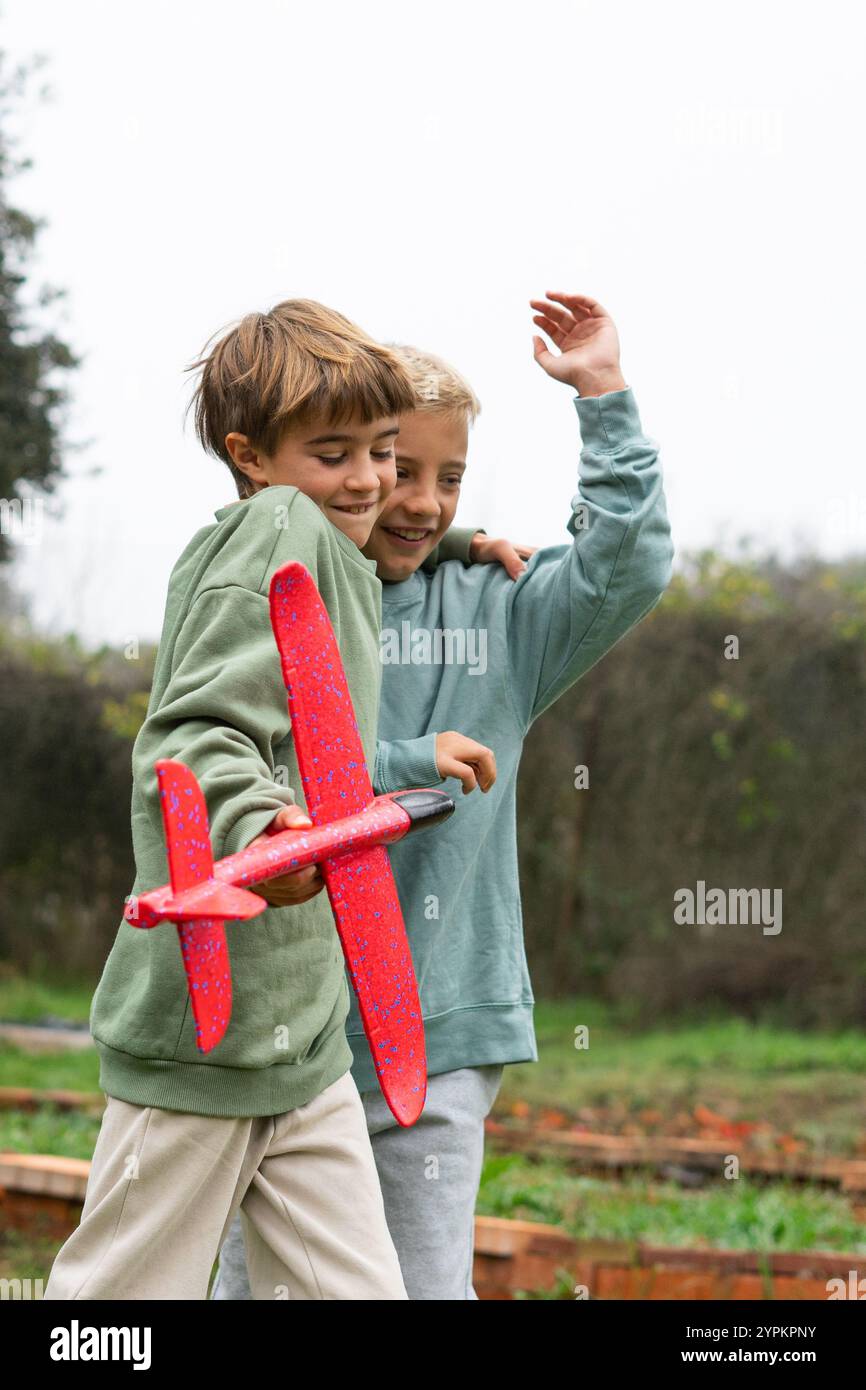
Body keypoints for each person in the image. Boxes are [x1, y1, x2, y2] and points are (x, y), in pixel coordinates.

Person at [213, 289, 674, 1300]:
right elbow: (259, 776)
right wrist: (409, 757)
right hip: (284, 1028)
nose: (419, 500)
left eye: (448, 477)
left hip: (440, 1025)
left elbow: (624, 564)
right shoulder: (270, 600)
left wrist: (600, 393)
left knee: (421, 1285)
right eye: (395, 468)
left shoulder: (500, 611)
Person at [45, 298, 424, 1301]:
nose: (369, 479)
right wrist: (256, 822)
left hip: (297, 1034)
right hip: (206, 1038)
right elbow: (195, 732)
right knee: (118, 1306)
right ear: (250, 454)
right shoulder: (277, 529)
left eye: (383, 449)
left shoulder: (319, 537)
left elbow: (371, 535)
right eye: (332, 452)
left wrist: (458, 540)